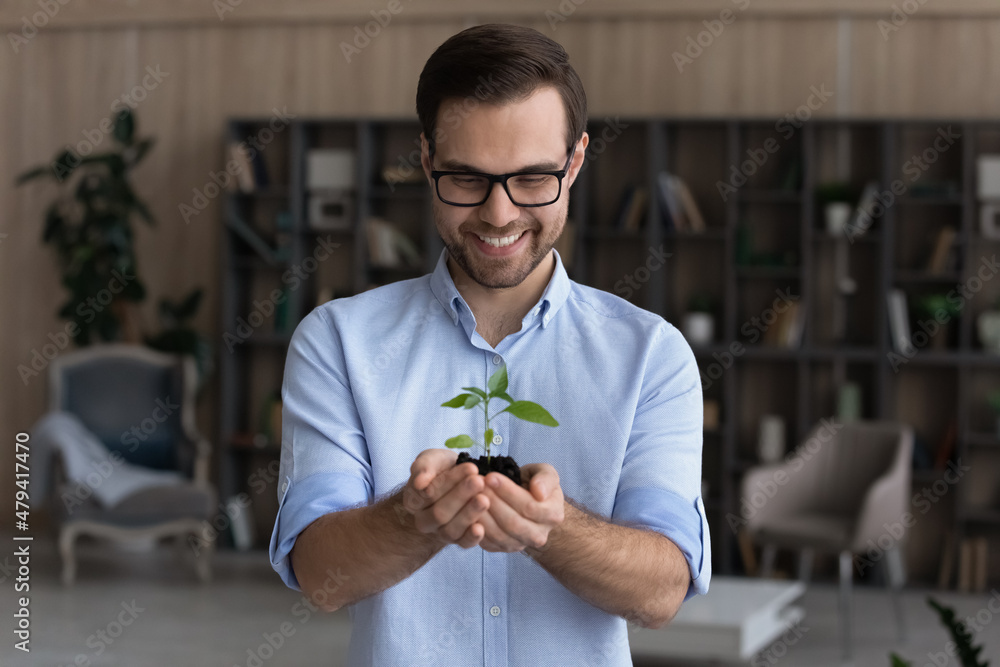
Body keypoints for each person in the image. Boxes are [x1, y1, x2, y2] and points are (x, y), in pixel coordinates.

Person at [269, 22, 710, 666]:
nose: (499, 214)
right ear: (425, 161)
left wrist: (551, 530)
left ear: (576, 161)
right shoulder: (336, 342)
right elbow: (320, 575)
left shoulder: (652, 356)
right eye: (467, 178)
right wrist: (411, 518)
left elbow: (663, 589)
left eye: (533, 178)